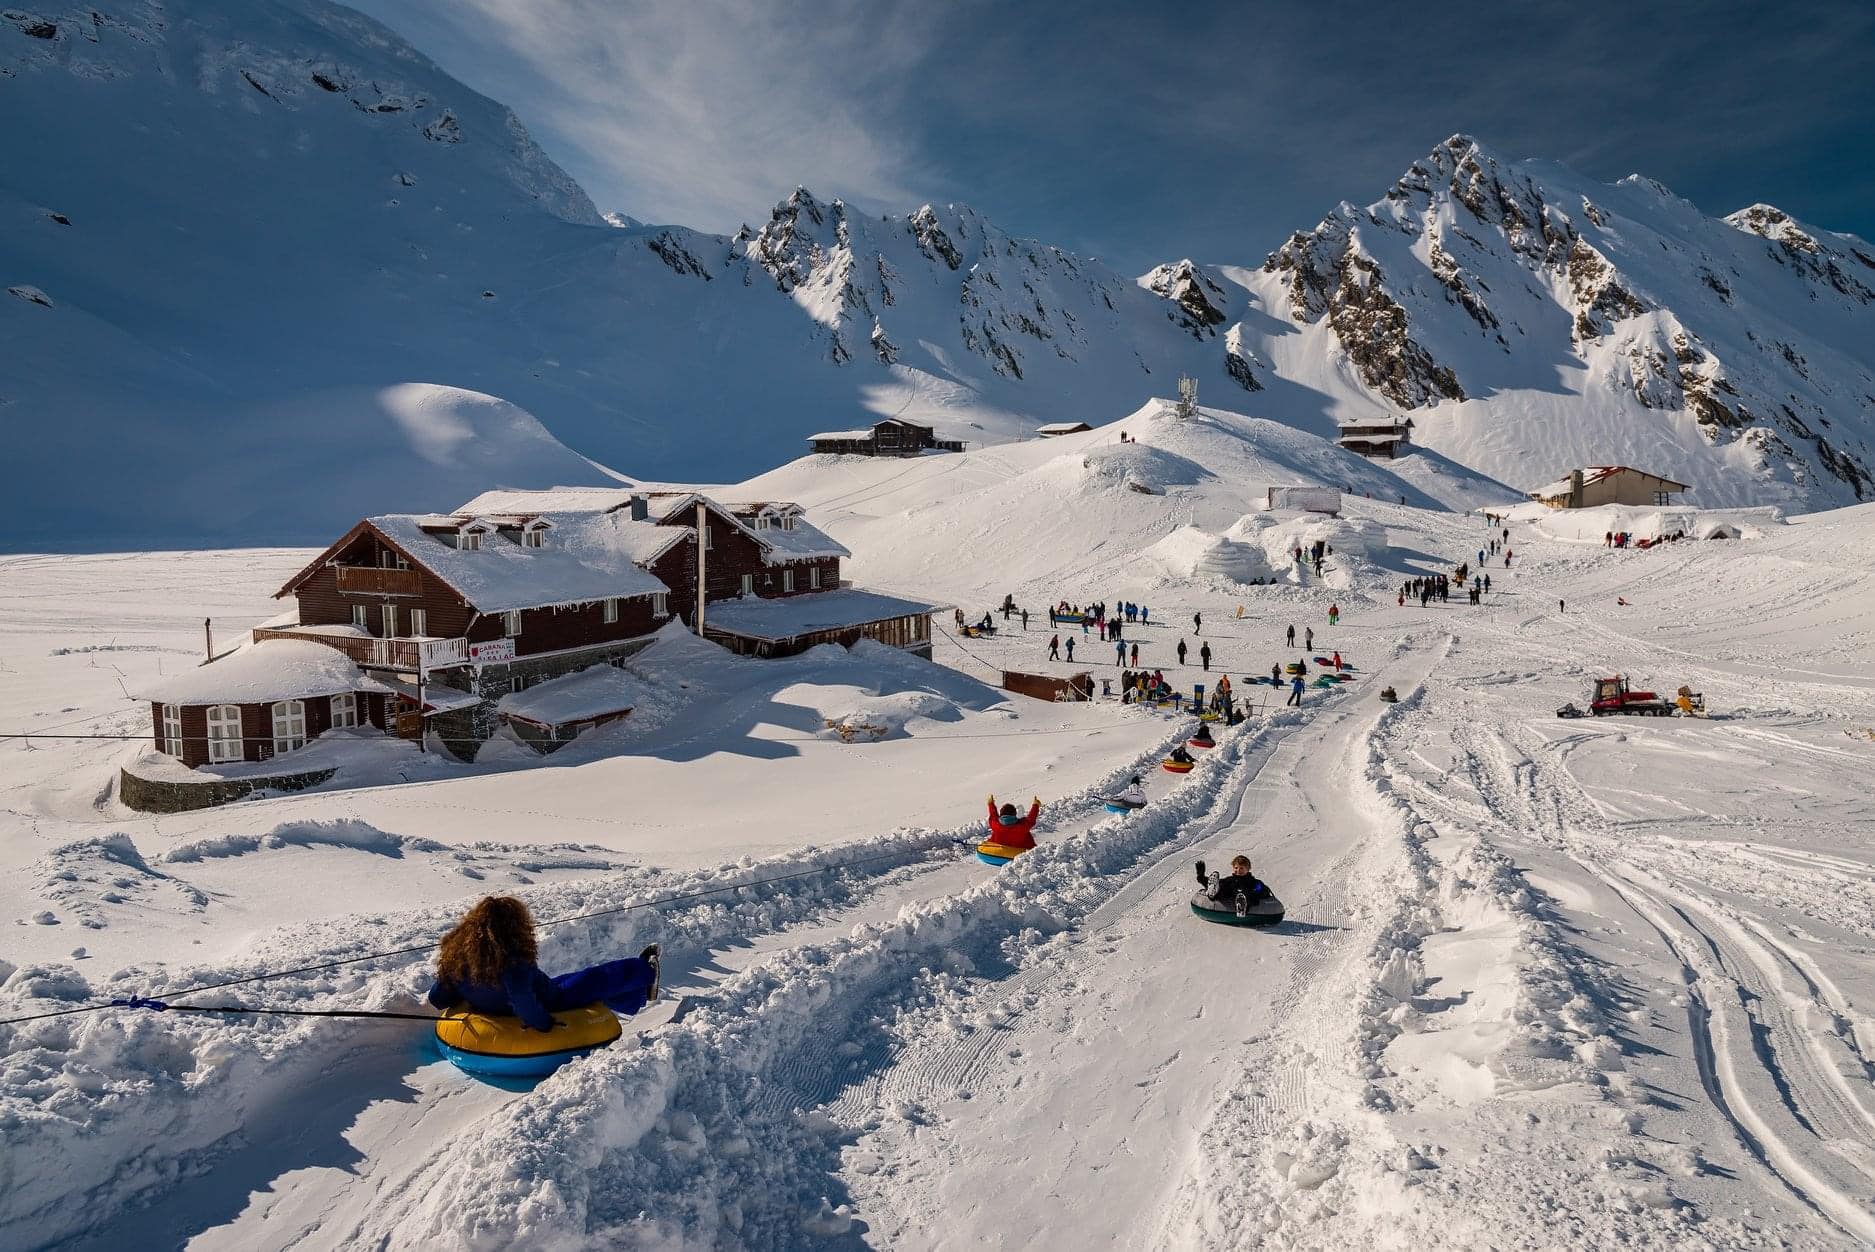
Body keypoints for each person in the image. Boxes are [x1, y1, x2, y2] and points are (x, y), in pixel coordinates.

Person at [427, 896, 660, 1031]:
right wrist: (544, 1024)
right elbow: (521, 999)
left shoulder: (458, 959)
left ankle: (640, 995)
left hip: (505, 1002)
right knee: (595, 978)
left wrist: (471, 993)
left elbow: (438, 998)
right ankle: (644, 970)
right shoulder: (512, 961)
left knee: (578, 982)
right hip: (549, 1000)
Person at [1197, 856, 1270, 911]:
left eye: (1241, 868)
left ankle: (1242, 905)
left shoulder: (1252, 881)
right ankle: (1213, 893)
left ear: (1248, 869)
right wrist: (1201, 876)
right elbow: (1215, 883)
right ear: (1233, 868)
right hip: (1230, 897)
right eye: (1236, 868)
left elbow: (1263, 890)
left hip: (1244, 898)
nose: (1238, 870)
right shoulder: (1230, 880)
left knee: (1246, 892)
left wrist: (1257, 891)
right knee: (1222, 886)